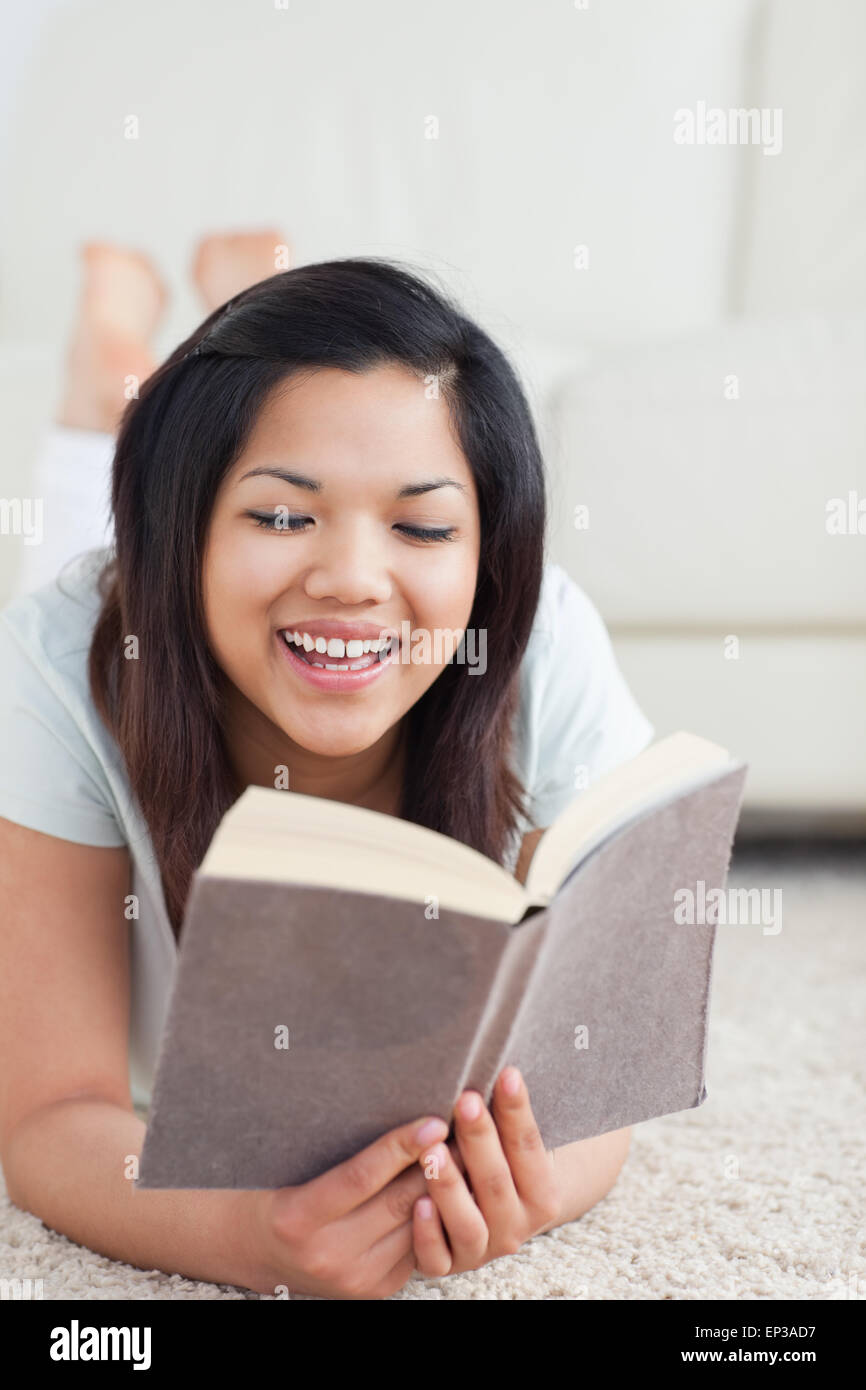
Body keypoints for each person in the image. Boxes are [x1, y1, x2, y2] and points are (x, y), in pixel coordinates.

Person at [0, 236, 653, 1299]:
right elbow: (47, 1119)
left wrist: (523, 1186)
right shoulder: (53, 662)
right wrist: (242, 1234)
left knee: (284, 418)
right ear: (187, 538)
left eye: (423, 524)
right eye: (279, 515)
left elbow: (597, 1091)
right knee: (84, 515)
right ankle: (111, 359)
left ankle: (231, 313)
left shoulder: (538, 644)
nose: (354, 578)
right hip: (128, 626)